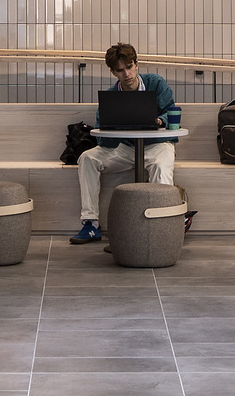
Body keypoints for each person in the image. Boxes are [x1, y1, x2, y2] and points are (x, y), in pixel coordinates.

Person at [71, 42, 181, 245]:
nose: (127, 74)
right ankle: (91, 224)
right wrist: (111, 126)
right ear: (113, 72)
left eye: (129, 67)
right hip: (125, 147)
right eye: (120, 70)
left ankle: (161, 228)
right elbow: (101, 137)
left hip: (157, 144)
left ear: (137, 64)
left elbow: (171, 111)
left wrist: (159, 120)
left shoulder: (156, 83)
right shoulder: (111, 96)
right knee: (87, 158)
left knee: (160, 166)